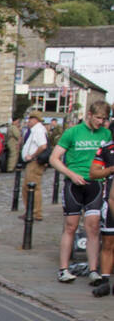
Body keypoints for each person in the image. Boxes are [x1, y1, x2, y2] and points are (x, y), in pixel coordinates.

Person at [50, 99, 111, 282]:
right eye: (98, 118)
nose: (101, 122)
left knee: (93, 227)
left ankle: (93, 269)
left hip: (95, 184)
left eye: (104, 118)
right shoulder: (72, 132)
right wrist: (70, 173)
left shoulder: (106, 134)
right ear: (89, 115)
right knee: (71, 226)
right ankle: (63, 269)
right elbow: (54, 158)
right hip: (74, 184)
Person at [87, 139, 114, 296]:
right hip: (110, 201)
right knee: (108, 242)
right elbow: (94, 172)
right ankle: (105, 281)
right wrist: (110, 169)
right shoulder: (106, 148)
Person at [20, 111, 48, 222]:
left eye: (30, 119)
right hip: (32, 162)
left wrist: (32, 156)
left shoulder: (38, 129)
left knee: (33, 187)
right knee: (26, 187)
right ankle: (30, 210)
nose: (29, 121)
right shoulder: (36, 129)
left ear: (35, 119)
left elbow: (43, 146)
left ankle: (35, 212)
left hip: (35, 162)